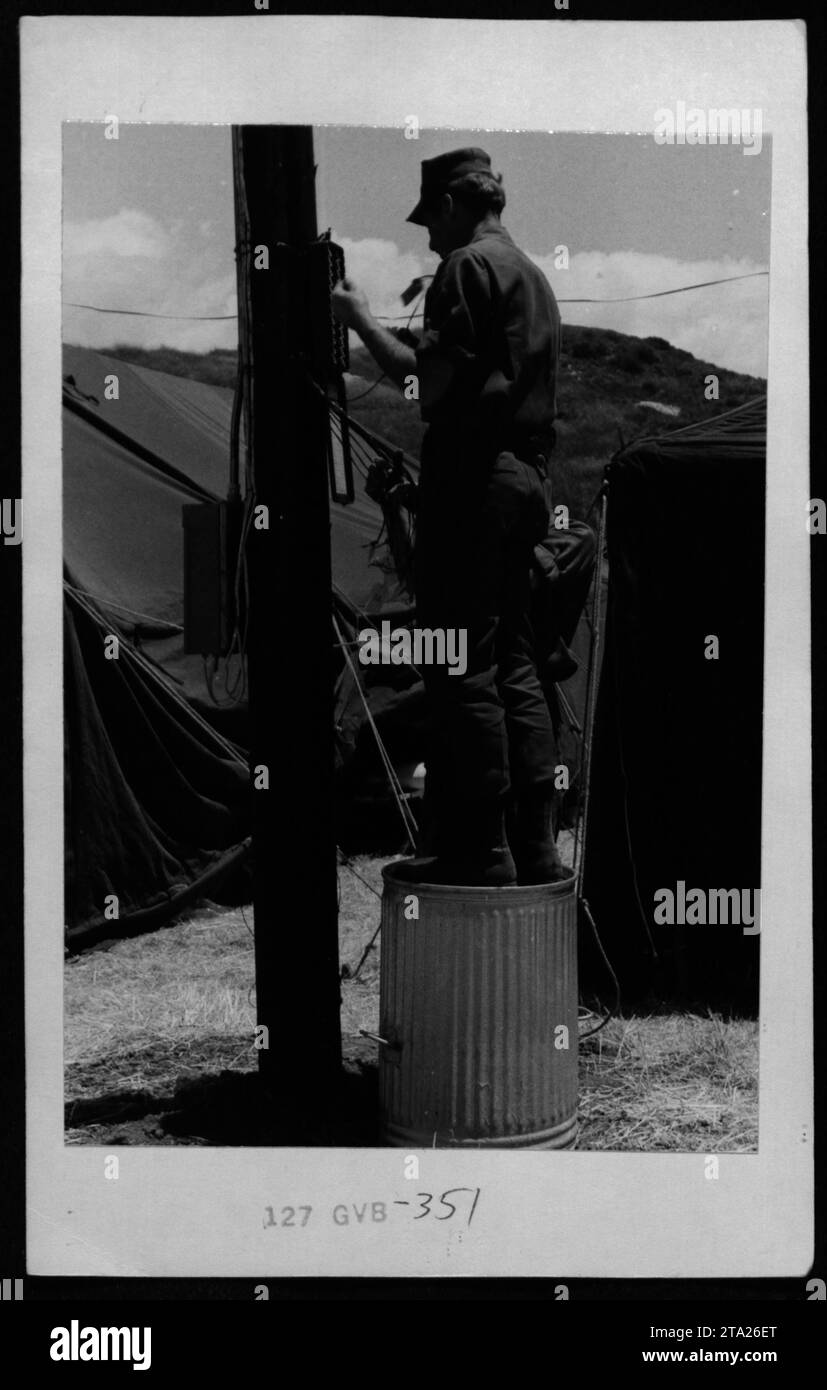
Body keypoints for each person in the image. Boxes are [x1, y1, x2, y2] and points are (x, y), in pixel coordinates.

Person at [332, 147, 570, 886]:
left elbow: (426, 379)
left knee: (460, 661)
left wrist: (357, 320)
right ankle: (532, 846)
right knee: (514, 663)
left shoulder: (466, 268)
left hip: (472, 478)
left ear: (449, 206)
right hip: (522, 480)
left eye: (428, 221)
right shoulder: (532, 276)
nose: (428, 238)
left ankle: (479, 848)